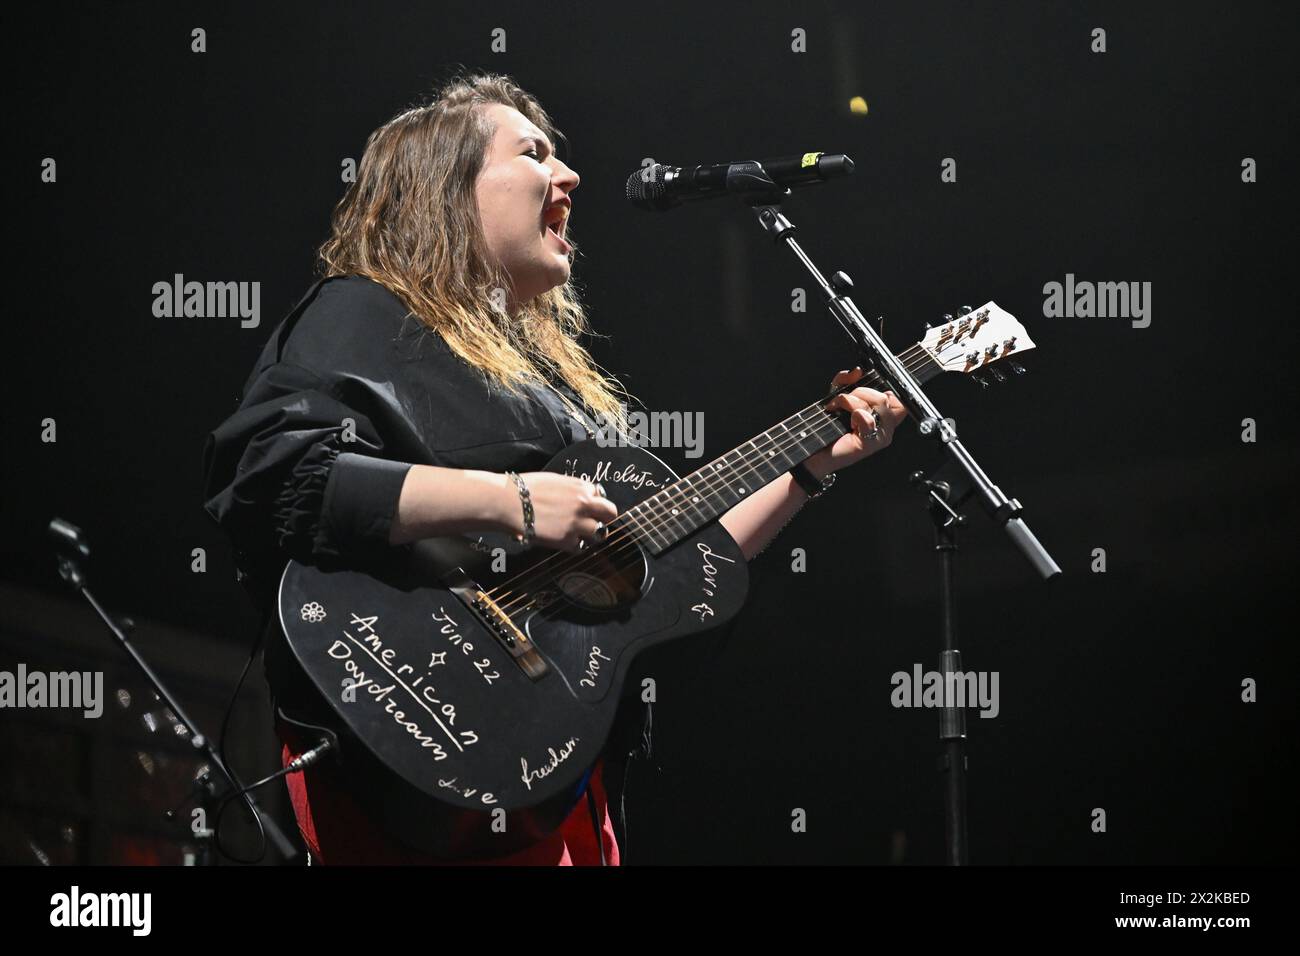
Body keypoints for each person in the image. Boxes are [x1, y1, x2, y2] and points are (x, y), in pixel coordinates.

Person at [201, 71, 907, 866]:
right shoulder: (365, 312)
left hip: (548, 775)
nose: (569, 176)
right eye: (534, 153)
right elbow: (271, 475)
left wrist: (808, 469)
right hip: (414, 731)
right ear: (447, 185)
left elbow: (670, 572)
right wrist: (511, 502)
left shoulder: (558, 400)